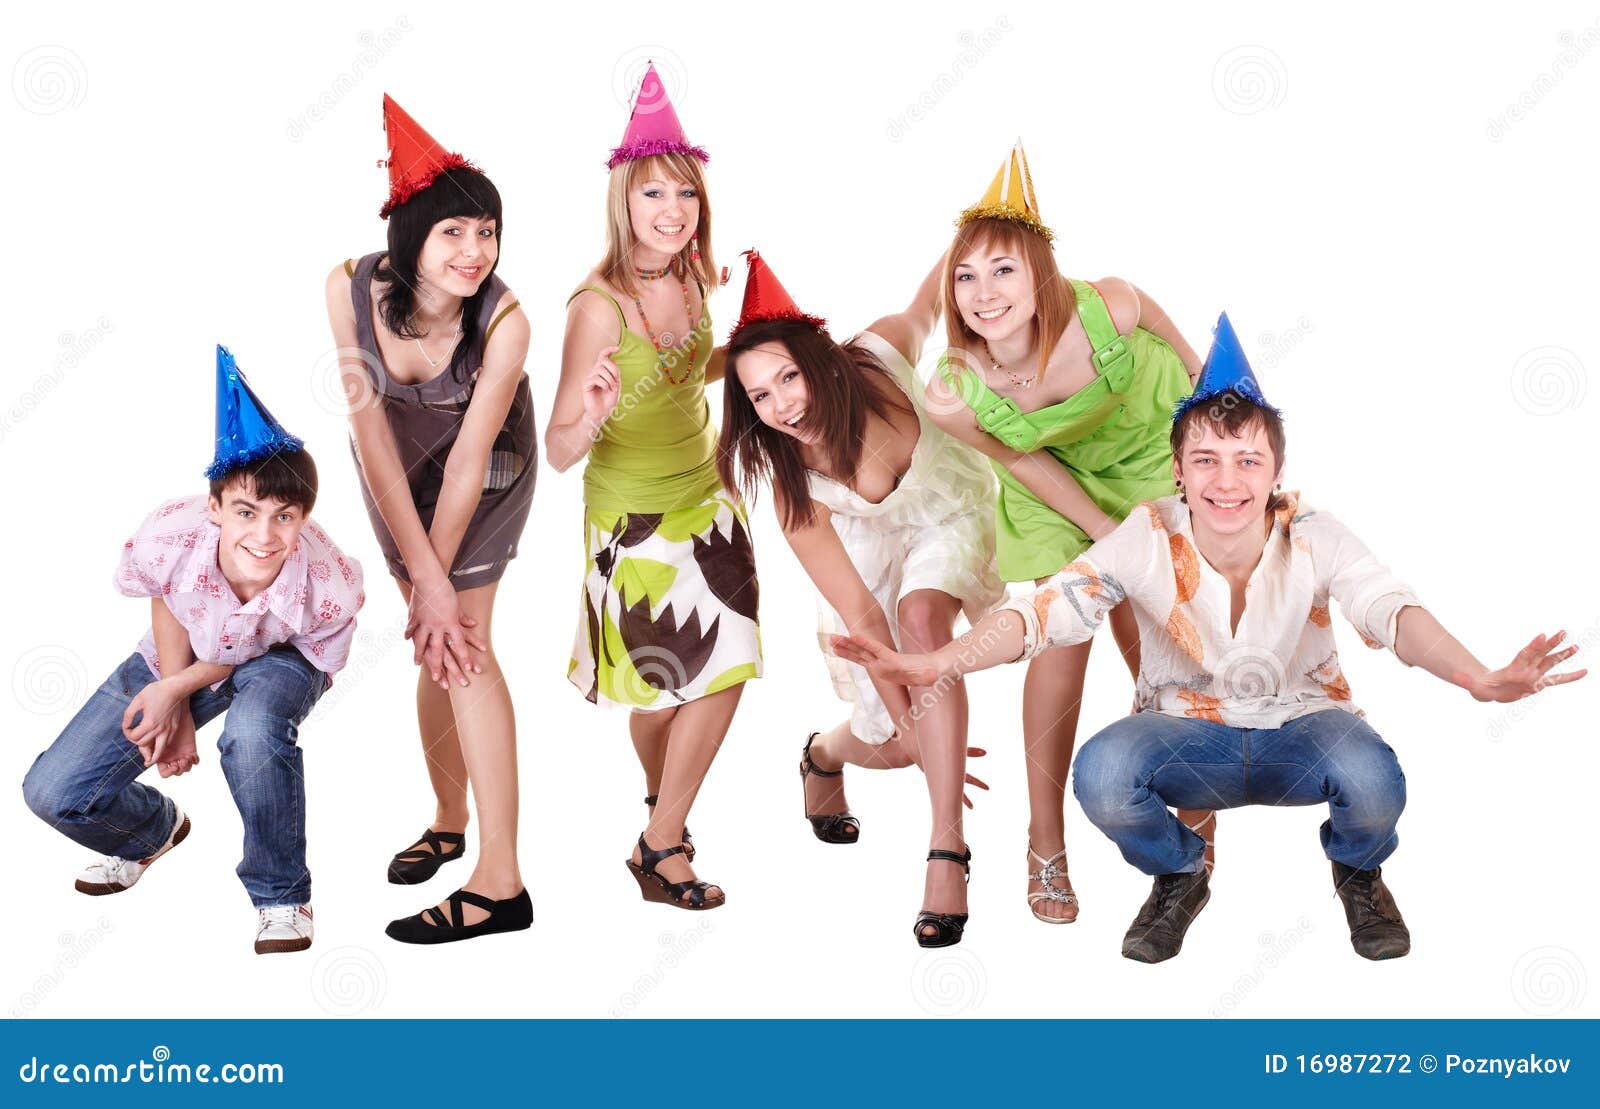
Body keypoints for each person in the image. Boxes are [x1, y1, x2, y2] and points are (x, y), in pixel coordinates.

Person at [832, 314, 1586, 961]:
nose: (1228, 481)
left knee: (1376, 780)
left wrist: (1478, 676)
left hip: (1303, 735)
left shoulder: (1314, 533)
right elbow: (1044, 616)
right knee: (1102, 773)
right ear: (1179, 470)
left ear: (1276, 470)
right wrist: (933, 658)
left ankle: (1359, 871)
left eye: (1247, 460)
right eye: (1207, 460)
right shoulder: (1145, 533)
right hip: (1188, 742)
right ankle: (1181, 873)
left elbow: (1391, 610)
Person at [928, 140, 1216, 922]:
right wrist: (1102, 534)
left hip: (1145, 447)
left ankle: (1191, 804)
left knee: (1163, 630)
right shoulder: (954, 389)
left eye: (1003, 270)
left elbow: (1157, 321)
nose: (984, 293)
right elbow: (1020, 460)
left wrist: (1203, 392)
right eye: (966, 274)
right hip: (1052, 482)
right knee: (1065, 631)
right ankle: (1044, 841)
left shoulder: (1104, 303)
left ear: (1040, 274)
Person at [22, 345, 364, 955]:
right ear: (214, 509)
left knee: (252, 733)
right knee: (52, 792)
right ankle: (150, 831)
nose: (264, 536)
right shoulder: (171, 533)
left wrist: (178, 697)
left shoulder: (329, 584)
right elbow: (167, 597)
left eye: (284, 517)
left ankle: (281, 896)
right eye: (245, 511)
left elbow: (314, 662)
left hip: (286, 657)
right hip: (182, 645)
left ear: (306, 518)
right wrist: (172, 695)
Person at [718, 250, 1001, 946]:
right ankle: (823, 755)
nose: (783, 404)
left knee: (922, 616)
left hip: (950, 511)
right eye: (761, 395)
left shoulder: (879, 357)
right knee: (899, 743)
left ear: (821, 361)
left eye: (790, 376)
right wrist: (910, 730)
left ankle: (946, 850)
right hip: (871, 551)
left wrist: (979, 237)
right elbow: (865, 617)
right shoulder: (795, 495)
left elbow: (931, 299)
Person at [546, 64, 759, 910]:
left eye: (685, 195)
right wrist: (593, 411)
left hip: (709, 504)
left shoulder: (693, 273)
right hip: (631, 519)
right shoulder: (595, 306)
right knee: (664, 686)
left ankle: (660, 839)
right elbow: (560, 449)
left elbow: (682, 374)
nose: (672, 211)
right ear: (622, 204)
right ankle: (662, 819)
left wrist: (743, 354)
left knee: (728, 668)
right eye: (653, 196)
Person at [326, 94, 535, 944]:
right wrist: (420, 583)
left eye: (486, 231)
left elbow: (473, 452)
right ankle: (449, 818)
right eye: (455, 232)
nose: (475, 250)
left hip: (485, 478)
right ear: (411, 235)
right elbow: (369, 431)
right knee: (436, 641)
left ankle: (501, 880)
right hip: (397, 478)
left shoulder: (508, 322)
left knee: (465, 639)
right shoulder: (346, 287)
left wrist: (437, 582)